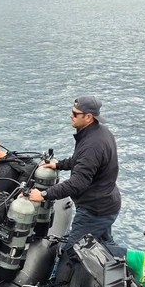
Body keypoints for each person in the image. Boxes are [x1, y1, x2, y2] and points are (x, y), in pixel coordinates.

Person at [27, 96, 121, 246]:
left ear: (88, 117)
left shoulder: (92, 144)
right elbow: (81, 160)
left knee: (74, 252)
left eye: (75, 113)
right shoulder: (98, 132)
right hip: (106, 203)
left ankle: (140, 260)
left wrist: (44, 195)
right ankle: (132, 261)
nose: (71, 115)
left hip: (94, 210)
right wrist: (59, 165)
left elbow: (78, 183)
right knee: (105, 245)